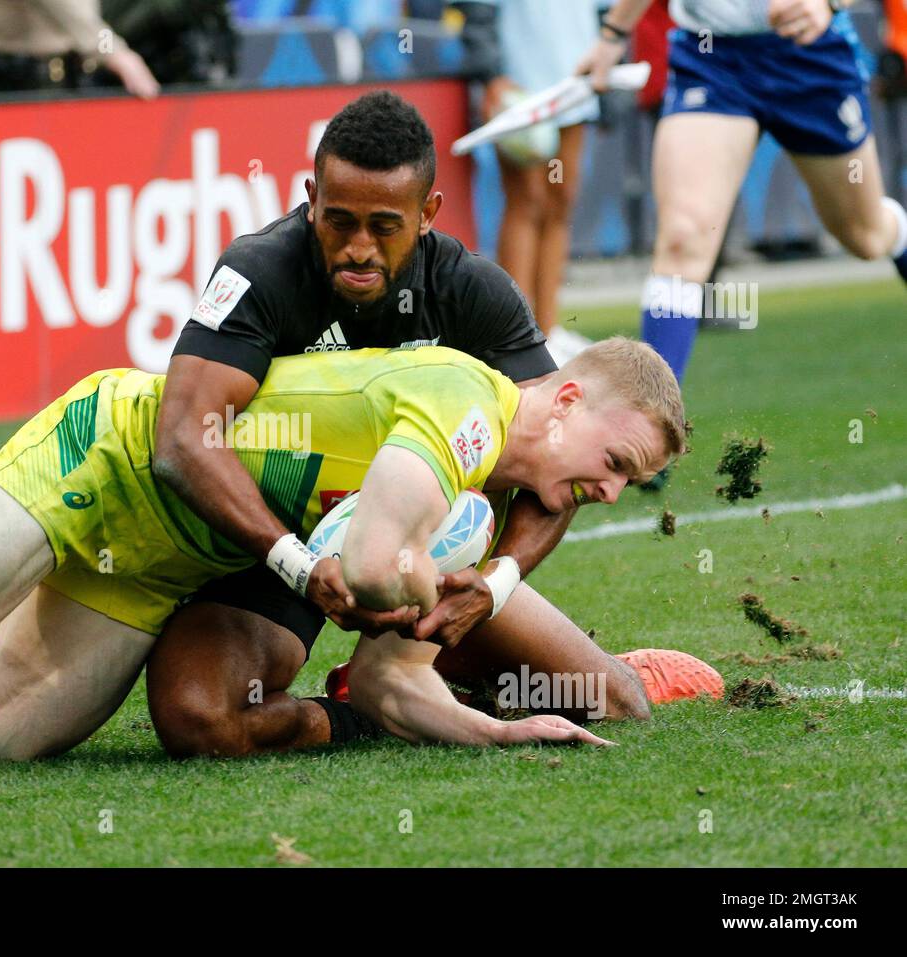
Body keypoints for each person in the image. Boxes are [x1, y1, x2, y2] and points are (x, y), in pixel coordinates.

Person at [0, 338, 685, 757]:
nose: (605, 489)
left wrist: (502, 734)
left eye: (625, 486)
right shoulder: (467, 402)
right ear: (565, 395)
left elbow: (397, 685)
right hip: (115, 454)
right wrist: (443, 587)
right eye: (616, 459)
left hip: (161, 560)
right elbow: (371, 565)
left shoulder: (486, 505)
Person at [143, 91, 653, 760]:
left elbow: (554, 455)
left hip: (428, 558)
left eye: (384, 226)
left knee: (610, 696)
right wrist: (298, 565)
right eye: (340, 220)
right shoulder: (261, 270)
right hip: (286, 547)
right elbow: (184, 437)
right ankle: (362, 712)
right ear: (310, 198)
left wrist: (495, 583)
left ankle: (432, 671)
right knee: (199, 717)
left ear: (427, 214)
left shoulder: (474, 293)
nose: (359, 248)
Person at [577, 0, 907, 416]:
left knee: (866, 236)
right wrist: (613, 35)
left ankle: (900, 233)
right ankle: (649, 426)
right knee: (683, 237)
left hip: (809, 54)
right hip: (712, 57)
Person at [483, 0, 603, 365]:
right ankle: (512, 336)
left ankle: (549, 331)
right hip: (519, 89)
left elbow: (604, 15)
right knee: (526, 201)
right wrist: (490, 74)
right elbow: (478, 12)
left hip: (575, 84)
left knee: (561, 200)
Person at [0, 0, 159, 99]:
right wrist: (116, 53)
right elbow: (80, 19)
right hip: (23, 80)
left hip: (68, 73)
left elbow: (92, 20)